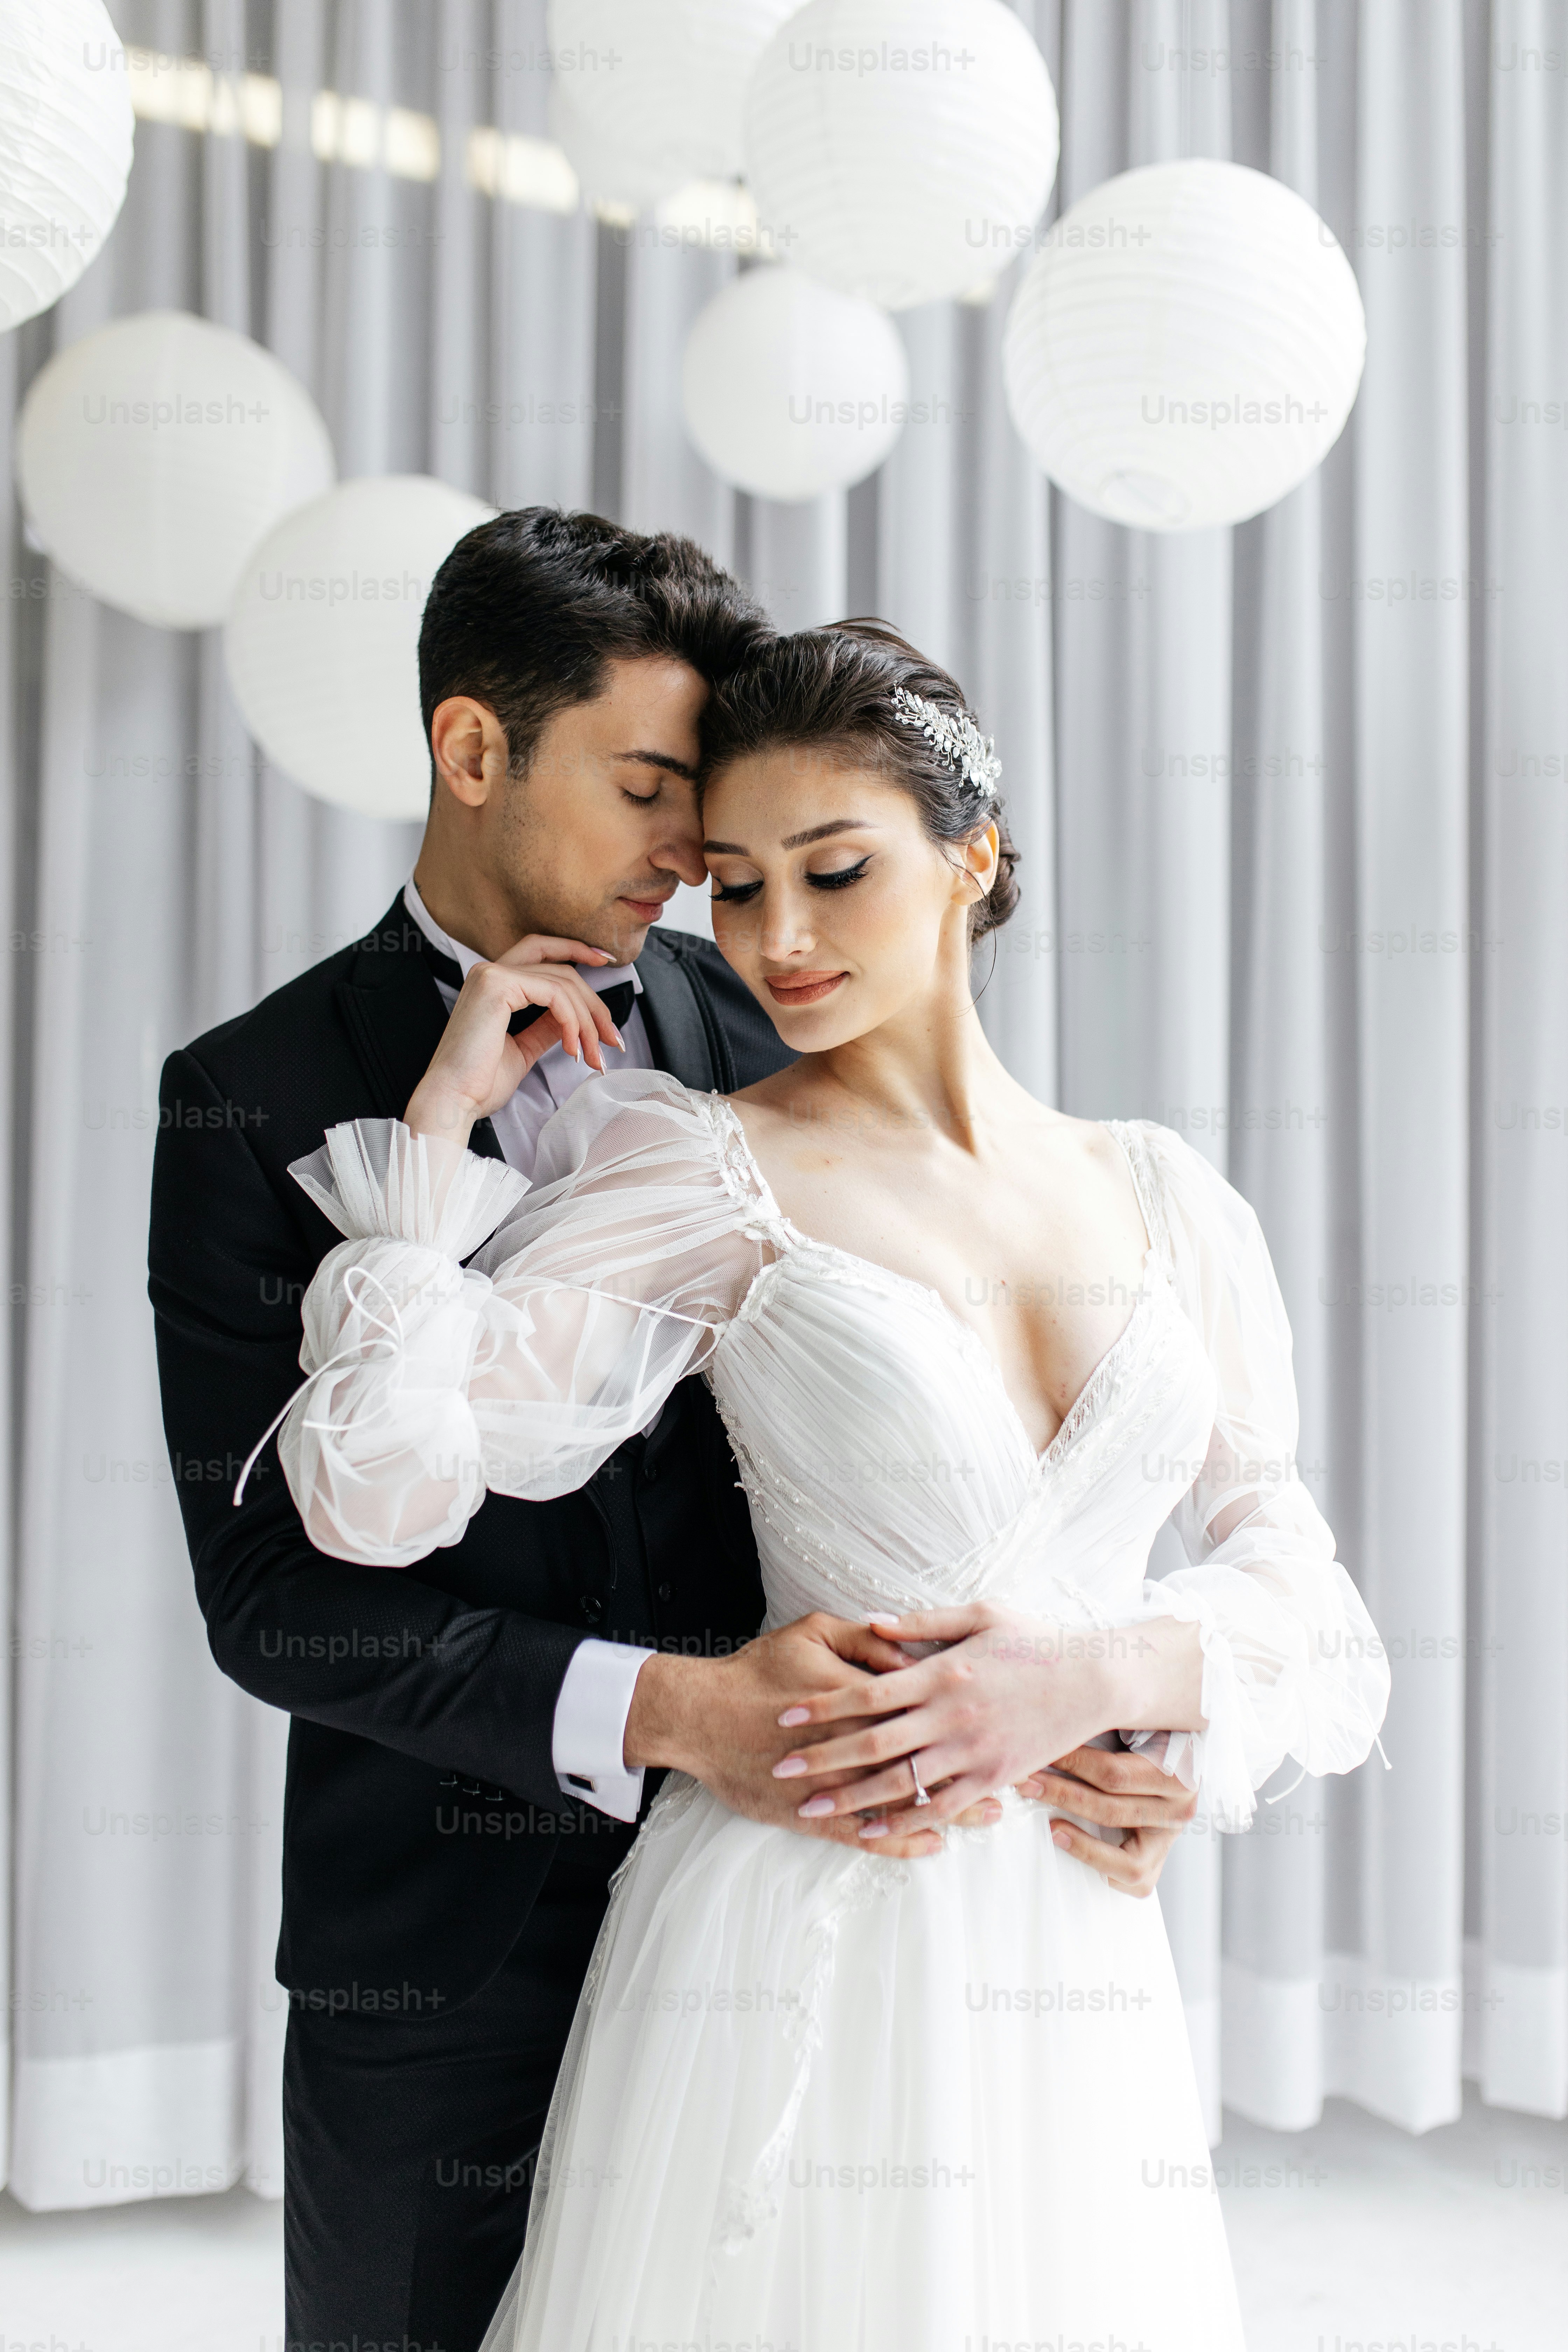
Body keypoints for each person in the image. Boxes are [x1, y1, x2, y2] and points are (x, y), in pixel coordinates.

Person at [268, 620, 1392, 2349]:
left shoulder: (1168, 1195)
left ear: (974, 859)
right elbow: (374, 1495)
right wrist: (434, 1132)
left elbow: (1304, 1596)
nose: (777, 938)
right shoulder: (705, 1169)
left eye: (834, 871)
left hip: (1070, 1942)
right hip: (795, 1911)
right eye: (733, 886)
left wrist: (1099, 1681)